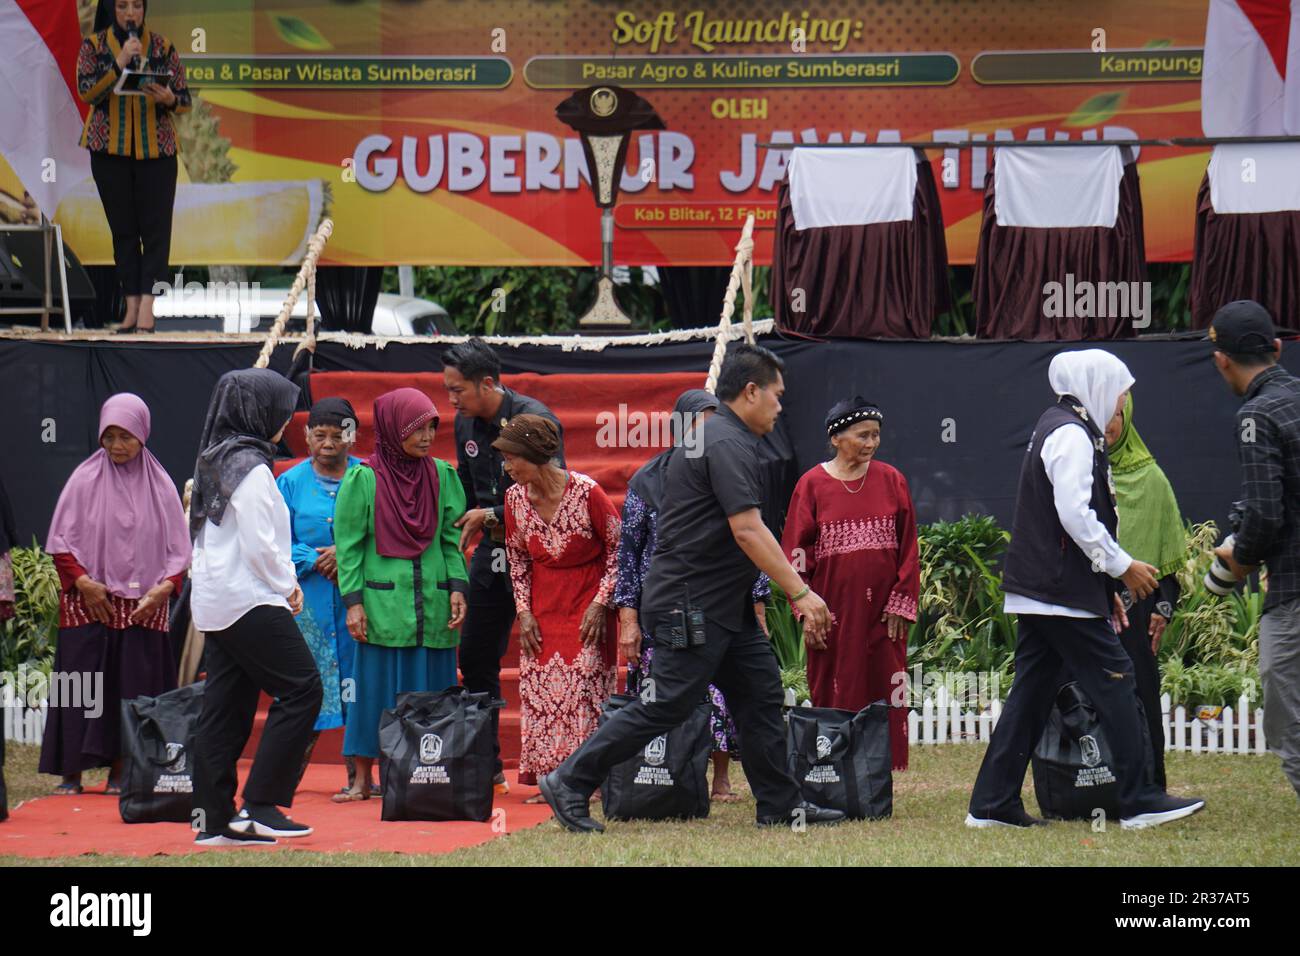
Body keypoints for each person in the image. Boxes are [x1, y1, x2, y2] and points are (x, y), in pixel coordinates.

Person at [538, 344, 844, 832]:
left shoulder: (720, 438)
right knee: (666, 705)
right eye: (776, 396)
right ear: (750, 392)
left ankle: (781, 806)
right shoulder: (723, 441)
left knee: (761, 697)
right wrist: (800, 593)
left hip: (725, 608)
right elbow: (747, 529)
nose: (781, 407)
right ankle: (570, 781)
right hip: (690, 607)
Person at [967, 349, 1204, 830]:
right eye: (1118, 398)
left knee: (1031, 694)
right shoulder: (1072, 435)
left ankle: (991, 804)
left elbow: (1062, 521)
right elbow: (1075, 515)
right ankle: (1139, 799)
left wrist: (1103, 588)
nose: (1120, 410)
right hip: (1058, 593)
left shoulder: (1056, 426)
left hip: (1047, 591)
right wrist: (1122, 567)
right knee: (1119, 683)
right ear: (1096, 389)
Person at [189, 369, 322, 846]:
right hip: (248, 596)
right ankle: (261, 805)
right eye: (281, 412)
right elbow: (260, 544)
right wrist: (287, 586)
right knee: (304, 688)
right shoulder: (251, 466)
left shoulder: (215, 457)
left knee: (226, 707)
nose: (285, 422)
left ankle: (212, 819)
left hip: (217, 598)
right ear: (256, 412)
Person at [617, 389, 769, 802]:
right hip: (669, 607)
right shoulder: (648, 481)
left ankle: (725, 781)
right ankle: (656, 778)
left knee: (728, 696)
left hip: (722, 605)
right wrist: (628, 619)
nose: (709, 431)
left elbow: (750, 540)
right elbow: (628, 554)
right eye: (700, 422)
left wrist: (757, 604)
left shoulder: (729, 469)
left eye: (714, 421)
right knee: (662, 700)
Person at [38, 393, 189, 796]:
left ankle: (124, 770)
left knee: (133, 686)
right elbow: (61, 542)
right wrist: (85, 584)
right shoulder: (83, 479)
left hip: (143, 606)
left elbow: (180, 553)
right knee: (80, 683)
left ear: (142, 435)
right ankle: (70, 771)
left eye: (126, 436)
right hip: (90, 601)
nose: (117, 446)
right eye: (110, 437)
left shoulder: (161, 487)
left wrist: (163, 590)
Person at [333, 388, 468, 803]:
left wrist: (458, 587)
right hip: (381, 605)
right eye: (416, 428)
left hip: (433, 601)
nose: (427, 436)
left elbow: (451, 540)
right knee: (374, 690)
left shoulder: (443, 476)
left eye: (431, 426)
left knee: (432, 689)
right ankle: (362, 779)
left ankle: (431, 769)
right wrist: (353, 602)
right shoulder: (364, 478)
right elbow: (349, 545)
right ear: (394, 429)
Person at [443, 338, 564, 794]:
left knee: (552, 659)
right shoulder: (463, 424)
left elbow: (556, 492)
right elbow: (467, 492)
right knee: (474, 654)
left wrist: (491, 515)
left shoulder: (536, 419)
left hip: (540, 557)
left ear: (488, 383)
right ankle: (485, 765)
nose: (452, 400)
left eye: (458, 390)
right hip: (492, 558)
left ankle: (560, 769)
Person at [782, 397, 920, 770]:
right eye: (862, 435)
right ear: (837, 438)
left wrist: (901, 600)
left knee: (885, 681)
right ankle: (835, 760)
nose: (872, 443)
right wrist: (806, 609)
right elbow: (794, 553)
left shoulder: (892, 480)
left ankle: (881, 764)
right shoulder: (811, 485)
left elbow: (909, 547)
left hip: (883, 612)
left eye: (876, 435)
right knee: (835, 681)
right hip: (832, 611)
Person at [496, 415, 621, 799]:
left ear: (535, 457)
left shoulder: (588, 493)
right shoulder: (514, 498)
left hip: (588, 603)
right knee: (541, 694)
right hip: (543, 607)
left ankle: (586, 780)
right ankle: (551, 779)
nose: (507, 466)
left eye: (512, 458)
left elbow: (620, 551)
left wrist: (601, 604)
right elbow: (516, 558)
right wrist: (524, 611)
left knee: (584, 690)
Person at [1208, 300, 1300, 800]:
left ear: (1221, 358)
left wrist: (1239, 559)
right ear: (1278, 348)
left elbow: (1267, 514)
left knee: (1288, 719)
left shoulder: (1257, 415)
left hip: (1292, 588)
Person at [276, 397, 376, 796]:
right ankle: (283, 779)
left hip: (359, 600)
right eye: (320, 435)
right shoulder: (290, 482)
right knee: (307, 683)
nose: (330, 443)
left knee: (359, 683)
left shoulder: (369, 477)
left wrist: (346, 552)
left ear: (353, 437)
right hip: (310, 599)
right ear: (306, 435)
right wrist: (313, 559)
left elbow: (382, 530)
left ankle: (362, 777)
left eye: (339, 435)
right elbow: (276, 537)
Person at [78, 1, 191, 333]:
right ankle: (130, 308)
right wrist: (120, 62)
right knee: (124, 232)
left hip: (157, 152)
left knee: (156, 234)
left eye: (137, 6)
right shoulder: (94, 46)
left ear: (144, 10)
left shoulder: (163, 47)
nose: (131, 14)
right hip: (108, 151)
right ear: (113, 9)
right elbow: (88, 92)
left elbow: (184, 99)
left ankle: (148, 309)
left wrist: (169, 98)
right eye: (123, 6)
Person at [1103, 393, 1185, 790]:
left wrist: (1163, 607)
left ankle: (1149, 784)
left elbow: (1169, 560)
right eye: (1102, 413)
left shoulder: (1152, 478)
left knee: (1140, 690)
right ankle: (1091, 783)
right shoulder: (1083, 472)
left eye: (1116, 415)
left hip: (1138, 605)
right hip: (1093, 600)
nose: (1109, 424)